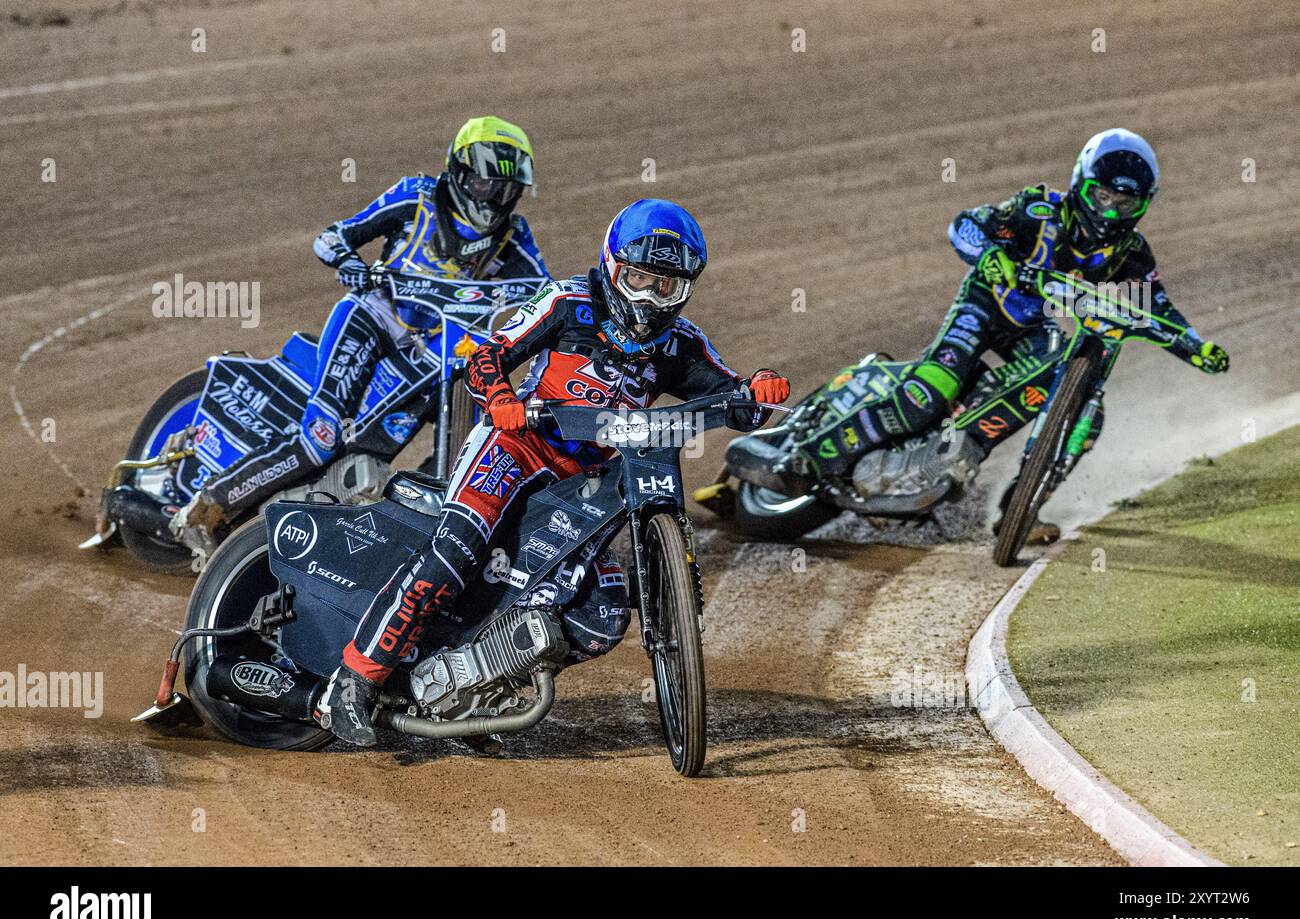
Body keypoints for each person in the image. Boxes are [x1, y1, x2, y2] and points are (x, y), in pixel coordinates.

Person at [321, 198, 791, 745]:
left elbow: (733, 398)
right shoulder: (567, 303)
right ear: (612, 267)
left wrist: (759, 389)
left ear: (685, 289)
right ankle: (353, 682)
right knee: (454, 551)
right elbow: (486, 354)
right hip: (514, 447)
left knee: (603, 615)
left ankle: (479, 690)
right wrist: (499, 395)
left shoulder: (680, 345)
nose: (649, 297)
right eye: (639, 278)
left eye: (666, 286)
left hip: (587, 484)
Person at [781, 128, 1229, 520]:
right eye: (1102, 197)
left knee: (1081, 412)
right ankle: (807, 458)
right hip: (986, 304)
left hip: (1036, 330)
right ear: (1081, 184)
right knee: (931, 391)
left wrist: (1197, 347)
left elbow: (1159, 310)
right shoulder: (1038, 209)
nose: (1109, 212)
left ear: (1142, 206)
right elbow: (966, 225)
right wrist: (991, 255)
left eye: (1123, 202)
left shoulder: (1133, 254)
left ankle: (1016, 505)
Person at [173, 116, 548, 545]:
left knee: (441, 429)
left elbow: (544, 291)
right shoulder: (418, 196)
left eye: (506, 190)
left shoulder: (514, 236)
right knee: (322, 438)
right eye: (486, 185)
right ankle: (205, 507)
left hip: (435, 347)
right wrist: (352, 264)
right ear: (460, 174)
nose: (495, 199)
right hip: (372, 319)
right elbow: (333, 238)